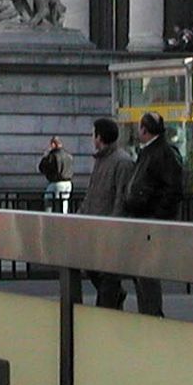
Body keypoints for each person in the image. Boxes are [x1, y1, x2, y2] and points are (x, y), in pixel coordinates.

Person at [120, 112, 184, 316]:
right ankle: (148, 312)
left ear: (144, 130)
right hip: (143, 218)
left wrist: (157, 217)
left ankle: (152, 314)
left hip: (149, 220)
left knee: (146, 271)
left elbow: (172, 190)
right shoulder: (150, 151)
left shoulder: (161, 153)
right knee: (140, 271)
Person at [79, 117, 138, 308]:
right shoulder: (101, 160)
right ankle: (114, 299)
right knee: (92, 268)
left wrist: (115, 226)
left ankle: (107, 308)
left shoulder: (122, 162)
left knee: (108, 276)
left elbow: (121, 197)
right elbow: (92, 193)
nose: (92, 138)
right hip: (95, 225)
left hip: (109, 228)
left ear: (99, 137)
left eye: (93, 134)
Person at [39, 136, 75, 213]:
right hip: (68, 183)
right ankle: (64, 217)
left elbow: (43, 167)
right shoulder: (68, 155)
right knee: (64, 202)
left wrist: (45, 156)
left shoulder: (53, 155)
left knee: (48, 199)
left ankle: (48, 216)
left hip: (57, 182)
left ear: (53, 144)